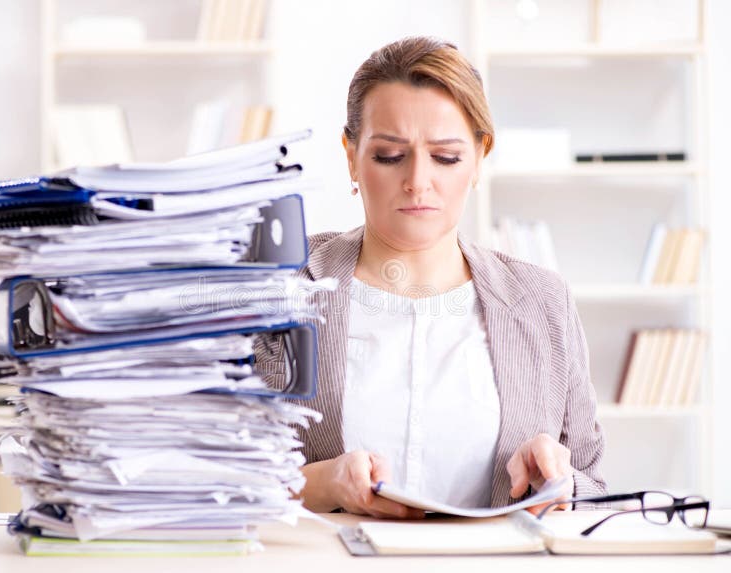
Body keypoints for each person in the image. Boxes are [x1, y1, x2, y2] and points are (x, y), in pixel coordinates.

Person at [255, 36, 606, 519]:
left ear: (480, 156)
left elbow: (595, 487)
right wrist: (322, 481)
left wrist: (556, 485)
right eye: (389, 156)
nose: (418, 181)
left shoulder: (543, 301)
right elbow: (211, 477)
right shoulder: (279, 287)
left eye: (445, 157)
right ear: (351, 155)